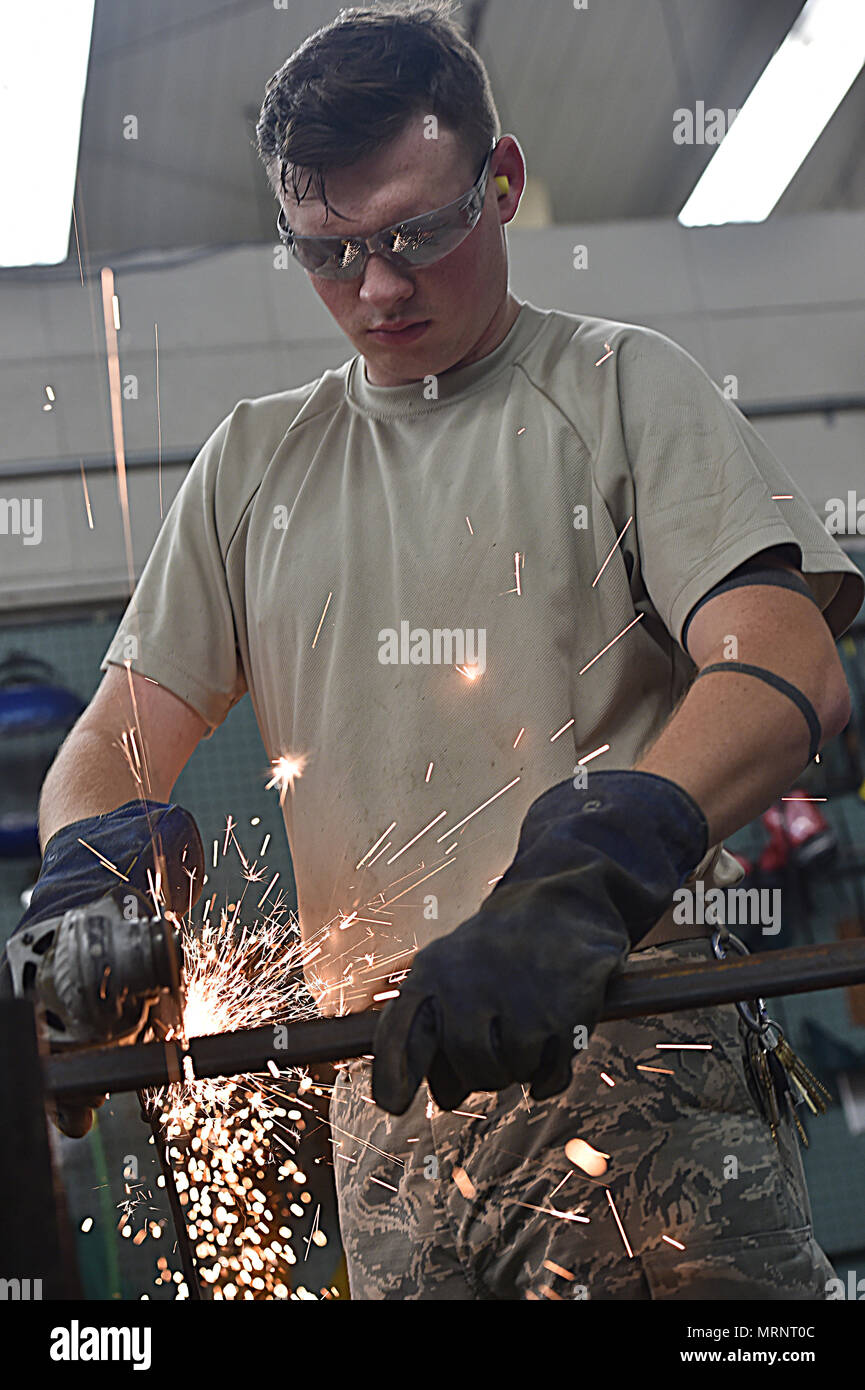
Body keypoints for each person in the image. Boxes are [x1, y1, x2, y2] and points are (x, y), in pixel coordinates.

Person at [12, 1, 864, 1297]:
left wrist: (590, 864)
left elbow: (786, 662)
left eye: (417, 230)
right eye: (329, 250)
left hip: (630, 1057)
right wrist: (90, 867)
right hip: (388, 1102)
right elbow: (114, 744)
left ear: (502, 181)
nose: (379, 285)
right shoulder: (253, 464)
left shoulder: (622, 387)